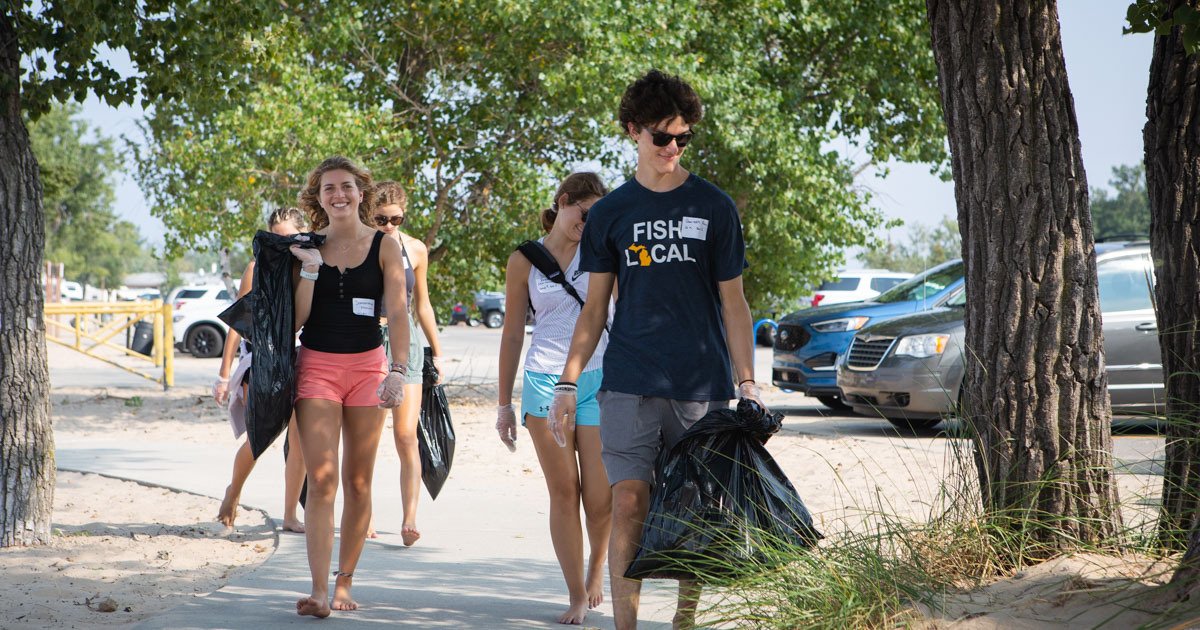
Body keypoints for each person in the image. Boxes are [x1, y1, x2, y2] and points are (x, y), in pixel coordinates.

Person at [548, 70, 766, 630]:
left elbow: (735, 305)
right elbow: (593, 311)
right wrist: (568, 383)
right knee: (628, 503)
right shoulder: (611, 213)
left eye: (682, 138)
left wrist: (747, 381)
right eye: (660, 137)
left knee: (694, 511)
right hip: (628, 380)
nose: (672, 148)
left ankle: (684, 623)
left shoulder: (715, 207)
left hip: (703, 385)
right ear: (632, 132)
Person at [288, 156, 411, 618]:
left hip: (367, 368)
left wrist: (398, 371)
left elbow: (397, 312)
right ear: (317, 198)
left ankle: (344, 582)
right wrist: (311, 269)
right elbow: (297, 321)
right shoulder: (307, 245)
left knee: (359, 481)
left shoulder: (384, 245)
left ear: (362, 191)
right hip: (316, 366)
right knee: (321, 480)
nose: (338, 195)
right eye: (327, 189)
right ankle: (318, 591)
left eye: (346, 187)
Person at [496, 173, 613, 625]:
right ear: (563, 203)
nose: (590, 223)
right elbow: (510, 334)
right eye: (585, 214)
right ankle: (576, 593)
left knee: (600, 498)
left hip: (599, 376)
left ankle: (596, 565)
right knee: (564, 492)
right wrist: (504, 404)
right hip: (544, 379)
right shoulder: (524, 259)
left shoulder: (602, 253)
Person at [213, 207, 309, 534]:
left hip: (302, 358)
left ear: (302, 232)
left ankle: (290, 515)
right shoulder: (256, 268)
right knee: (260, 436)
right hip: (262, 362)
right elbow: (237, 325)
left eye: (289, 236)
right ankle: (233, 491)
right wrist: (224, 375)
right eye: (276, 236)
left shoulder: (312, 266)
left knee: (299, 441)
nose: (282, 243)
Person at [367, 180, 443, 547]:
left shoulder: (416, 248)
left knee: (405, 435)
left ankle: (410, 518)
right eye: (382, 219)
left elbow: (422, 303)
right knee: (365, 437)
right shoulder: (363, 245)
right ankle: (361, 513)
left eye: (396, 218)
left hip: (406, 342)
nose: (390, 225)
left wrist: (437, 352)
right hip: (366, 338)